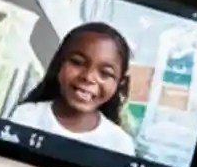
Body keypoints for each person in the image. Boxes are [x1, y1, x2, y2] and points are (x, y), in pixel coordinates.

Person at [11, 22, 136, 155]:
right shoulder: (25, 117)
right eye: (77, 62)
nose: (88, 77)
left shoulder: (119, 145)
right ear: (60, 64)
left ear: (120, 83)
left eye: (105, 73)